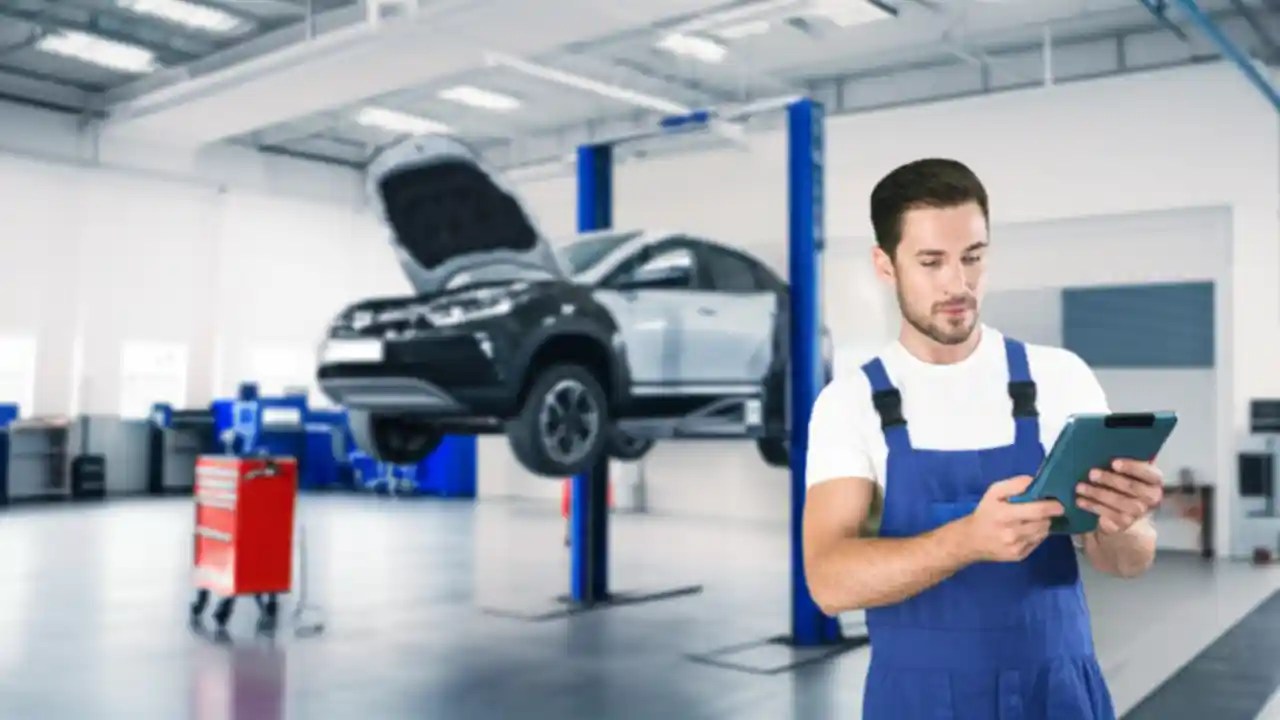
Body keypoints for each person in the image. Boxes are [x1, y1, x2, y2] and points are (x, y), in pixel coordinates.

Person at [801, 158, 1163, 720]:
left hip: (1059, 695)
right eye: (931, 262)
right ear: (885, 264)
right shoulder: (848, 403)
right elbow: (829, 582)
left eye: (973, 257)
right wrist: (967, 540)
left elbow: (1127, 561)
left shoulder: (1061, 378)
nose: (958, 283)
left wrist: (1125, 524)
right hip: (917, 703)